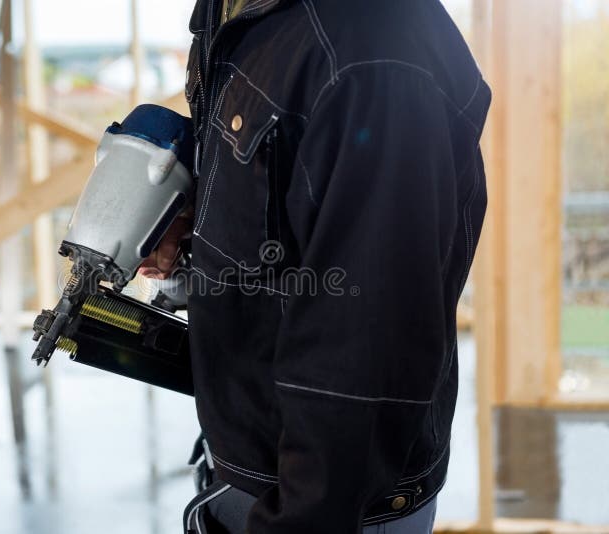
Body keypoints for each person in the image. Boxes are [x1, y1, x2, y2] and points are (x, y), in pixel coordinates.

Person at [141, 0, 491, 532]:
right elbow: (285, 159)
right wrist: (204, 204)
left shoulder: (375, 56)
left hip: (325, 503)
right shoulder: (239, 9)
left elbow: (368, 349)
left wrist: (301, 518)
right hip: (249, 461)